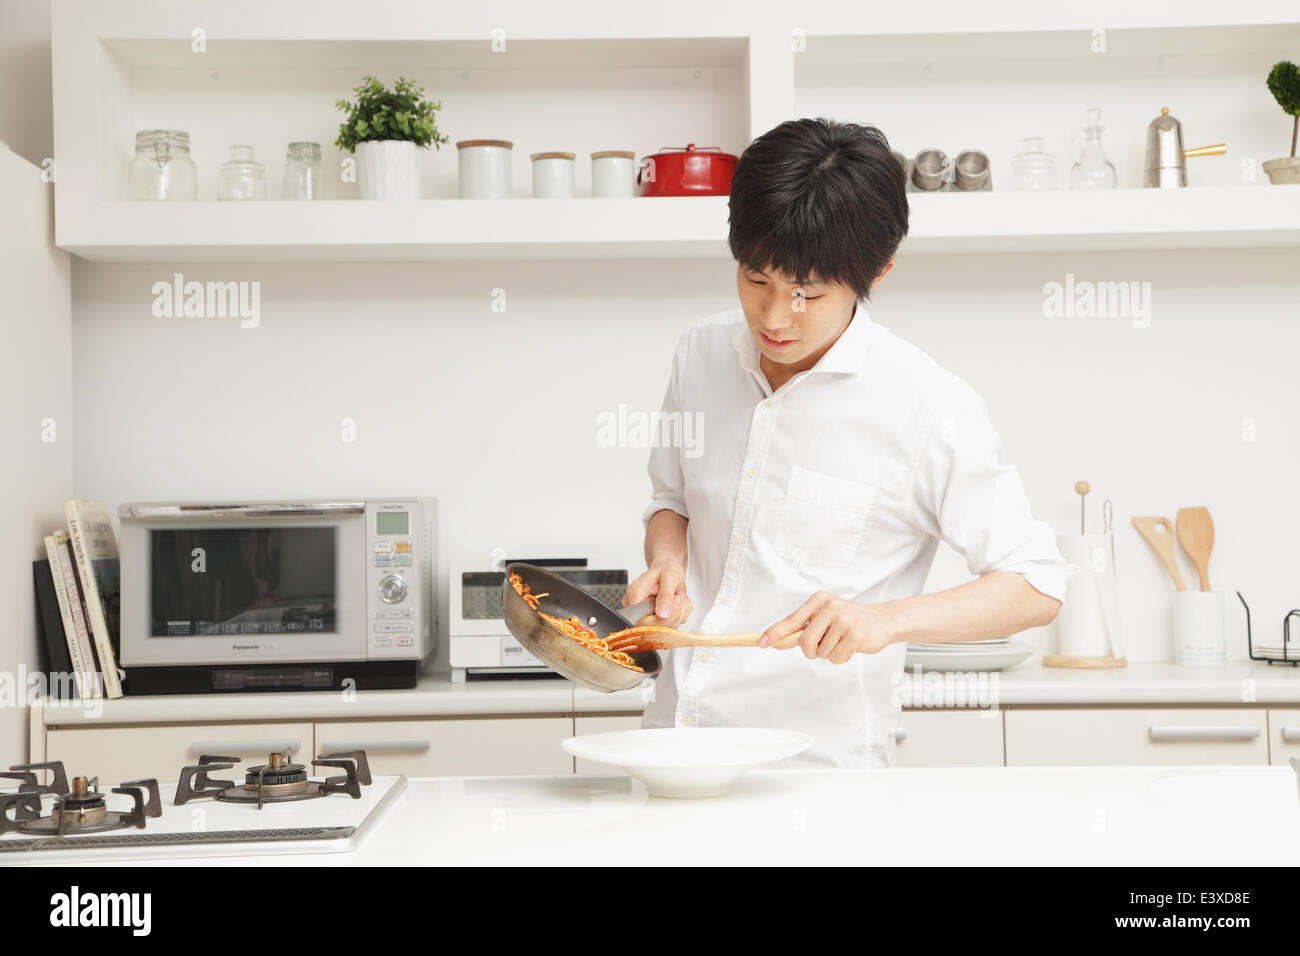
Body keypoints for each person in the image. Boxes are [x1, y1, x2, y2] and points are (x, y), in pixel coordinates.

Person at [624, 118, 1069, 768]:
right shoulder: (699, 355)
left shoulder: (926, 406)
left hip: (816, 776)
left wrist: (885, 622)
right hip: (670, 744)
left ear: (877, 273)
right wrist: (667, 560)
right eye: (756, 279)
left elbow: (1037, 582)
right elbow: (672, 500)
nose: (775, 317)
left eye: (808, 292)